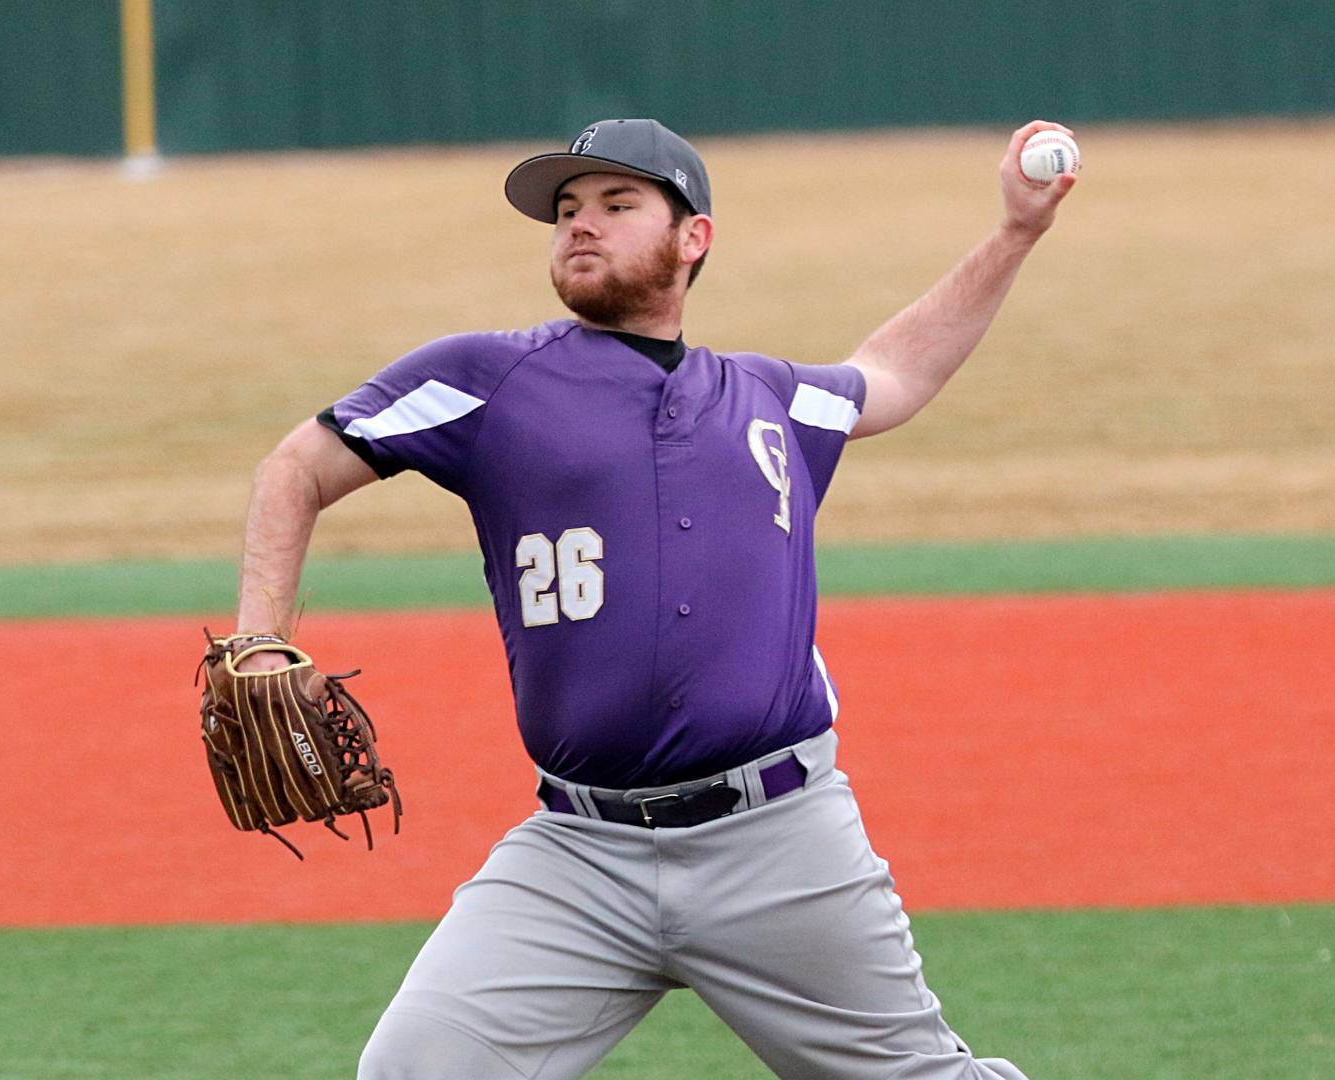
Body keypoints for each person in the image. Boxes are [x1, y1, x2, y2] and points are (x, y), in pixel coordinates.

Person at [231, 117, 1077, 1078]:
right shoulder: (483, 381)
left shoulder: (765, 398)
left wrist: (1015, 233)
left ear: (693, 237)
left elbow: (894, 375)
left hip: (780, 842)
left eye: (617, 204)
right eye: (566, 210)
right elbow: (294, 468)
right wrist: (260, 640)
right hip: (576, 856)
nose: (580, 225)